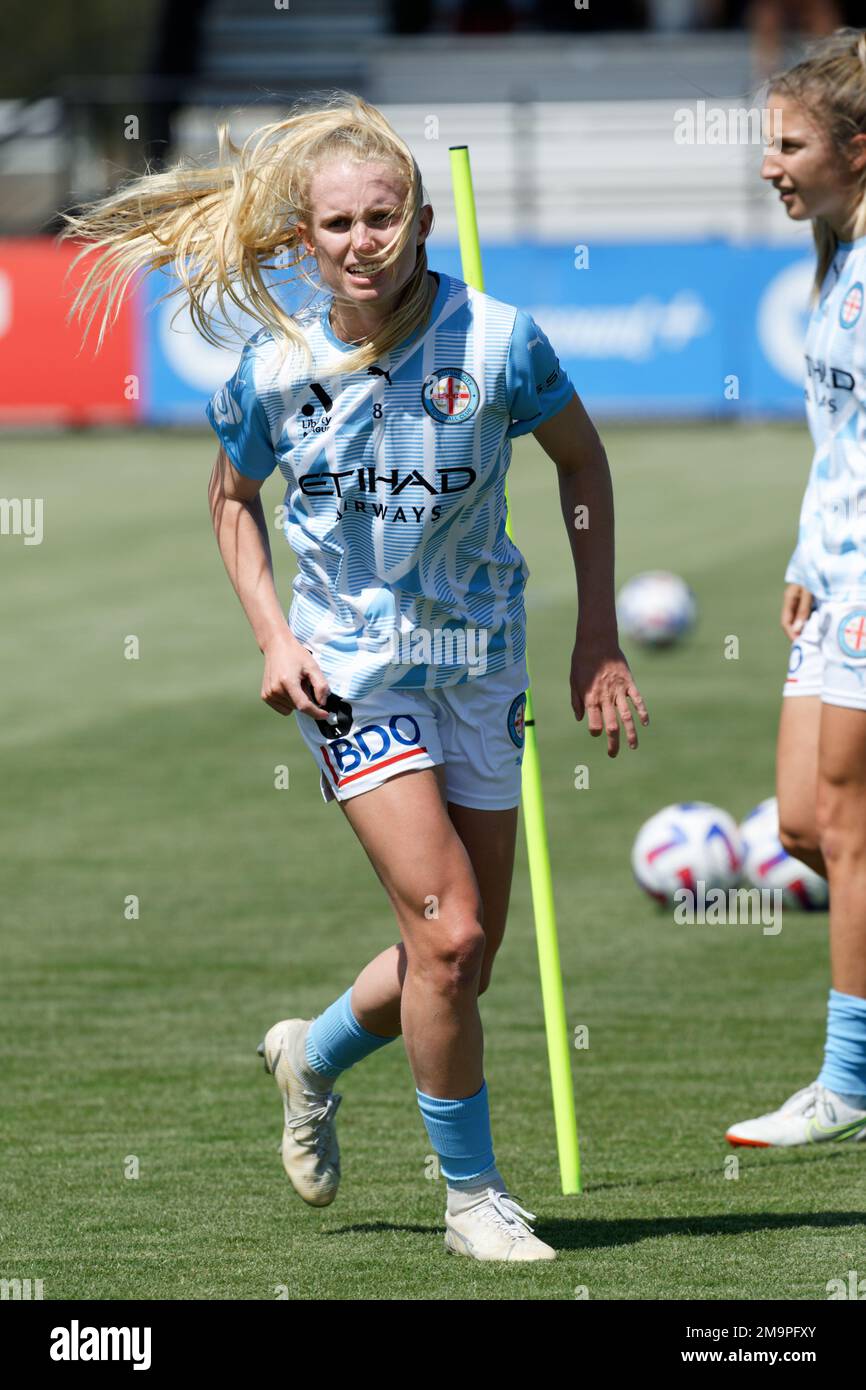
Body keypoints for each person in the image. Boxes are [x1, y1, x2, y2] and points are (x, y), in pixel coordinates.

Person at [63, 91, 648, 1260]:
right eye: (336, 225)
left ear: (421, 220)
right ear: (304, 237)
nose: (360, 242)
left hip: (480, 663)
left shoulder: (497, 341)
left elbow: (580, 463)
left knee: (460, 958)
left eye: (382, 217)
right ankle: (471, 1199)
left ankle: (312, 1052)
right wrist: (273, 639)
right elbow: (231, 501)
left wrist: (597, 636)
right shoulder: (273, 367)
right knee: (446, 936)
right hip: (350, 679)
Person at [726, 30, 866, 1147]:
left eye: (787, 143)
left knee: (851, 824)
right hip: (832, 576)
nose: (767, 163)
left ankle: (845, 1083)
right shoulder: (830, 250)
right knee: (800, 825)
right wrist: (799, 557)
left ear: (856, 149)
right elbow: (838, 439)